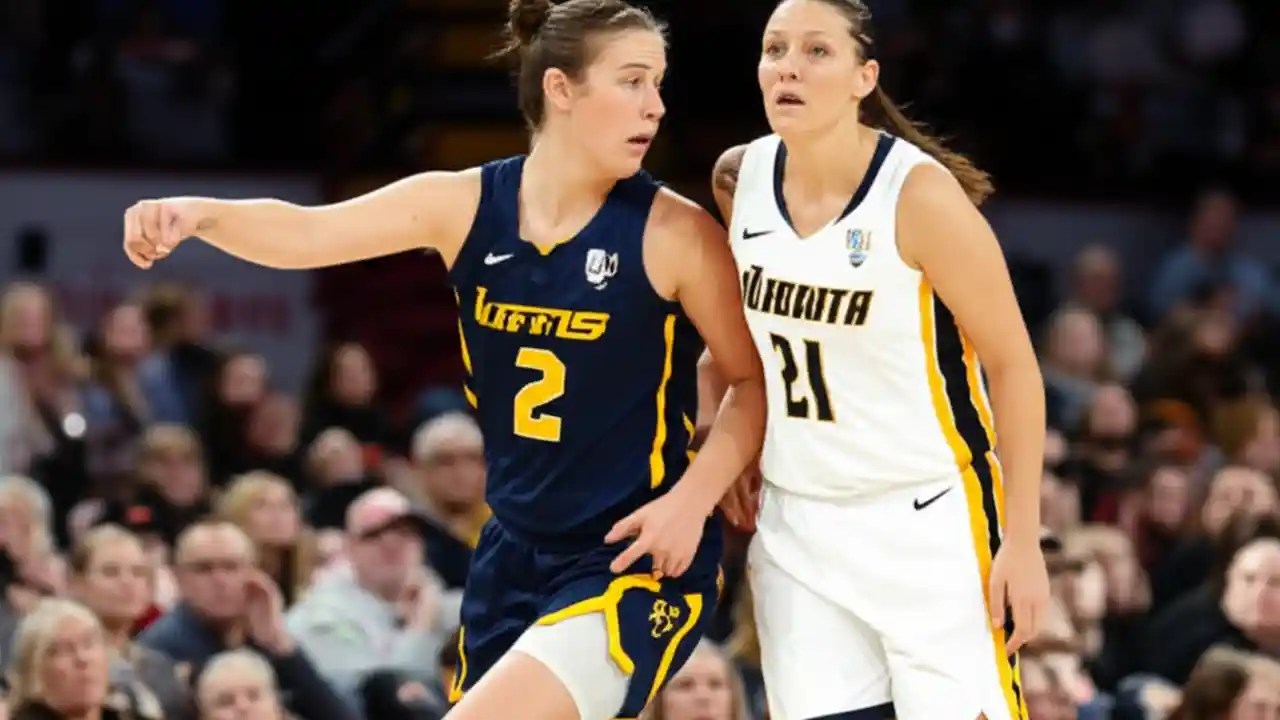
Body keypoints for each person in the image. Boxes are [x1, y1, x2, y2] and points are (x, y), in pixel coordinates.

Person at [120, 0, 766, 718]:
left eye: (659, 83)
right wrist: (199, 214)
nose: (656, 105)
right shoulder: (462, 204)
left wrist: (692, 499)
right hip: (512, 554)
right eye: (634, 81)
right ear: (560, 89)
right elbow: (307, 235)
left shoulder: (674, 231)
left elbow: (749, 378)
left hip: (634, 559)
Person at [702, 1, 1051, 719]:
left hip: (927, 518)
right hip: (798, 521)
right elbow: (741, 343)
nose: (788, 66)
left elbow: (1014, 366)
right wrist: (726, 436)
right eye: (774, 49)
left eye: (815, 51)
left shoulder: (919, 196)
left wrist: (1023, 539)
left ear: (865, 77)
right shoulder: (739, 179)